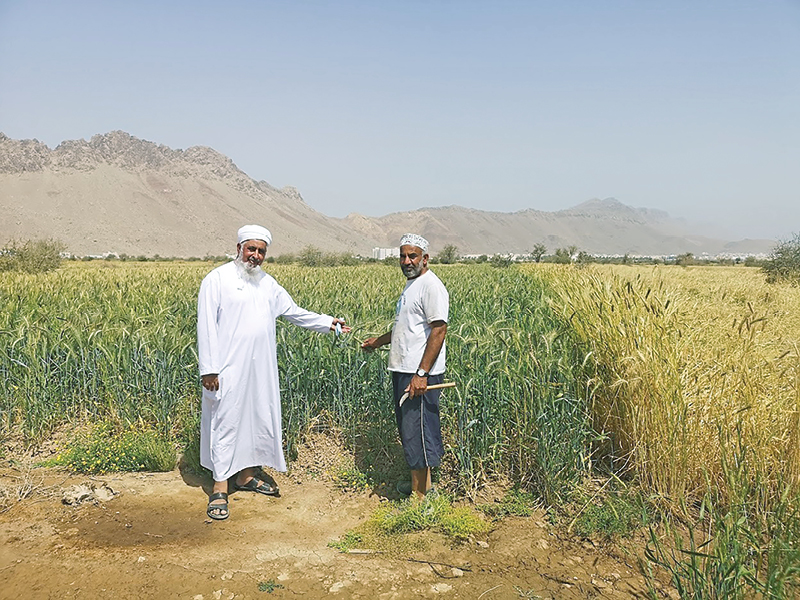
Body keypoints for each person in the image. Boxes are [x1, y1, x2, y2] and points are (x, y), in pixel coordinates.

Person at [197, 224, 350, 520]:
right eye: (251, 249)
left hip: (261, 368)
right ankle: (220, 487)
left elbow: (294, 312)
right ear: (239, 248)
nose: (255, 255)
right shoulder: (217, 279)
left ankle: (246, 476)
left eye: (261, 251)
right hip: (226, 369)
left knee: (255, 418)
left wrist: (328, 323)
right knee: (226, 421)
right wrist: (209, 369)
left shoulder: (268, 284)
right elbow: (206, 326)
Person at [361, 233, 449, 499]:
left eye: (413, 256)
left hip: (418, 373)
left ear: (425, 258)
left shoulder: (431, 286)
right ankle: (424, 487)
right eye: (403, 256)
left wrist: (422, 374)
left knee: (418, 431)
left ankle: (420, 499)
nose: (407, 261)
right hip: (404, 369)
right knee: (410, 430)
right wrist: (378, 341)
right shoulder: (413, 285)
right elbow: (407, 328)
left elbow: (439, 330)